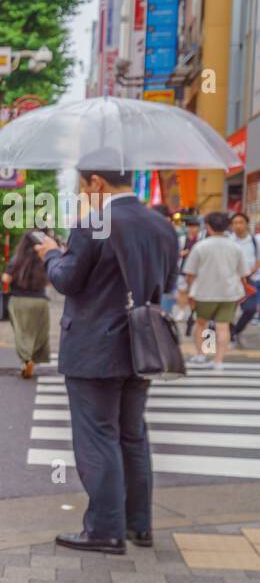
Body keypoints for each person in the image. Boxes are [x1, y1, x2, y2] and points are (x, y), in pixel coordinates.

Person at [34, 170, 178, 555]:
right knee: (132, 435)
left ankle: (105, 530)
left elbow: (68, 280)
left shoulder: (95, 224)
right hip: (143, 343)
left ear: (96, 182)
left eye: (83, 186)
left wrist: (50, 255)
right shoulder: (161, 225)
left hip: (94, 345)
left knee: (98, 436)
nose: (84, 194)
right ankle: (139, 526)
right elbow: (170, 281)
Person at [183, 211, 249, 368]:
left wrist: (191, 290)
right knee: (222, 326)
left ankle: (202, 354)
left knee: (202, 324)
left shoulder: (200, 246)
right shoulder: (235, 247)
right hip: (229, 293)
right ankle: (218, 360)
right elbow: (243, 273)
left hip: (204, 293)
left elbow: (190, 273)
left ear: (207, 227)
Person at [1, 231, 52, 379]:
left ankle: (26, 360)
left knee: (21, 332)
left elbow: (7, 279)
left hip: (19, 301)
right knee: (39, 334)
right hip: (40, 302)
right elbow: (51, 281)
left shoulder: (17, 260)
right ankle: (33, 360)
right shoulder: (43, 260)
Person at [229, 212, 260, 347]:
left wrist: (249, 272)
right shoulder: (229, 241)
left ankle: (234, 332)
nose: (238, 225)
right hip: (232, 280)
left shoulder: (255, 241)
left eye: (240, 222)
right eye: (235, 223)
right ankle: (225, 338)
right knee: (226, 312)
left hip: (249, 280)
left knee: (250, 309)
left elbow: (258, 259)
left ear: (246, 224)